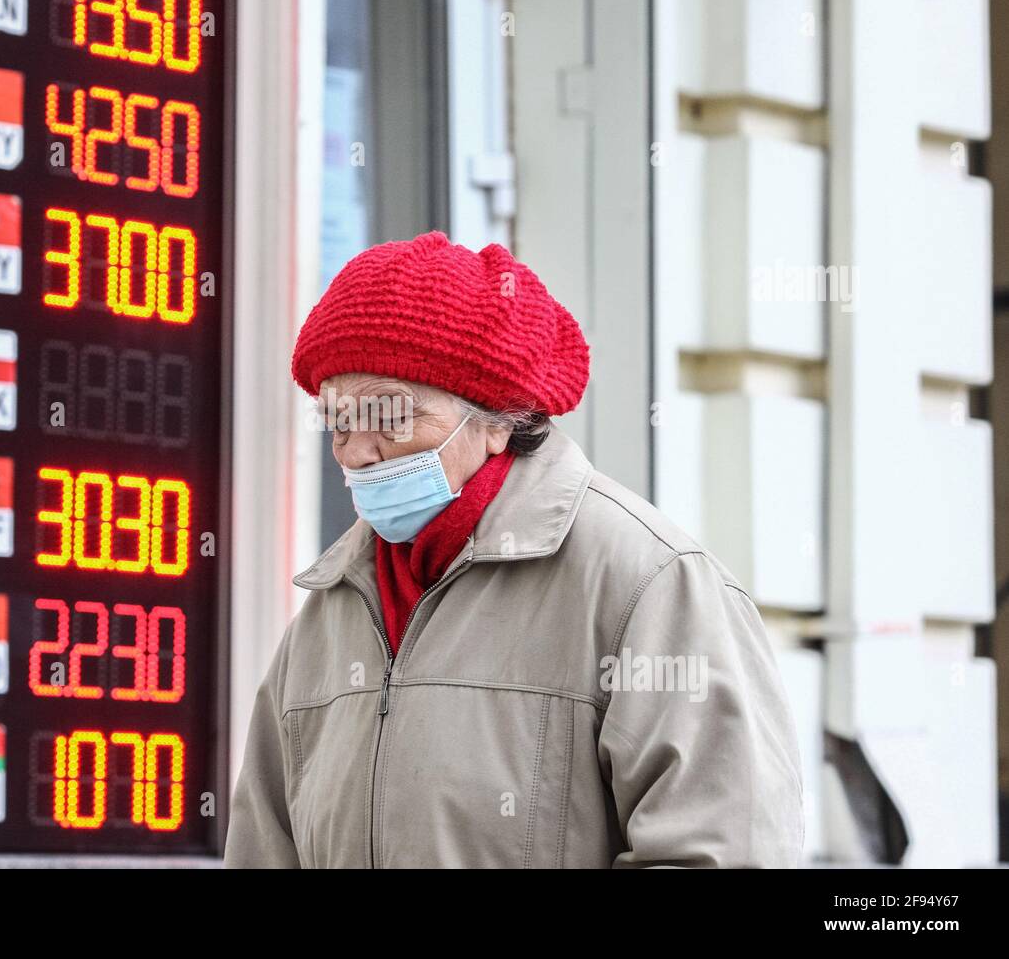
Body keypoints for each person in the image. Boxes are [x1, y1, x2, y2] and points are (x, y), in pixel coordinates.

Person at [224, 230, 805, 868]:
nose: (356, 450)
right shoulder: (328, 616)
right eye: (338, 420)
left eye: (390, 417)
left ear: (497, 418)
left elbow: (720, 854)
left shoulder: (649, 584)